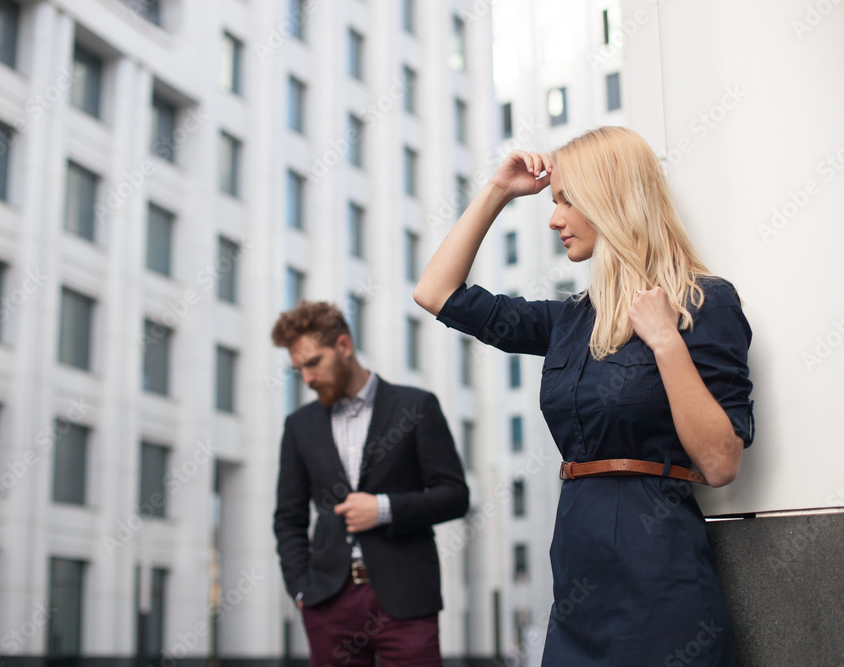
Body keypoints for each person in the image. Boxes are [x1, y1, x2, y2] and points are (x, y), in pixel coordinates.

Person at [414, 126, 754, 664]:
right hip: (577, 570)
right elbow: (436, 293)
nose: (553, 218)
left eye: (567, 200)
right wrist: (498, 190)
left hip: (660, 575)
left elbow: (719, 462)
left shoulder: (704, 302)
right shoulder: (569, 320)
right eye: (554, 202)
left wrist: (665, 339)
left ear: (612, 197)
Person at [271, 301, 469, 666]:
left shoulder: (417, 406)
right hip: (328, 602)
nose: (307, 379)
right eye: (299, 369)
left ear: (344, 346)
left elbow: (455, 496)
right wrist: (301, 588)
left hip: (406, 598)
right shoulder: (299, 426)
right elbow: (288, 518)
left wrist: (383, 509)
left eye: (313, 363)